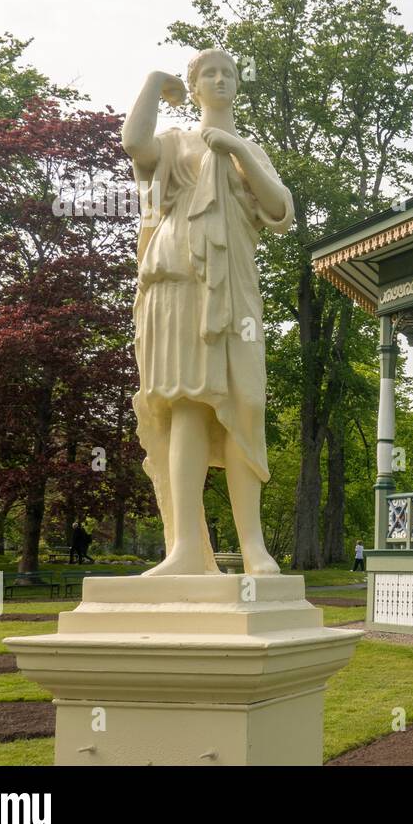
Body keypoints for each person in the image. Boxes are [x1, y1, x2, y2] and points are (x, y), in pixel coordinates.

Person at [122, 49, 294, 576]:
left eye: (228, 74)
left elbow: (281, 210)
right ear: (194, 87)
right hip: (174, 284)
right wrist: (153, 82)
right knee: (186, 408)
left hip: (234, 290)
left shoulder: (250, 149)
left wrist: (238, 148)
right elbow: (134, 144)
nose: (219, 80)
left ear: (238, 87)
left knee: (244, 406)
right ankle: (186, 550)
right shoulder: (175, 143)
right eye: (208, 75)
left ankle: (253, 547)